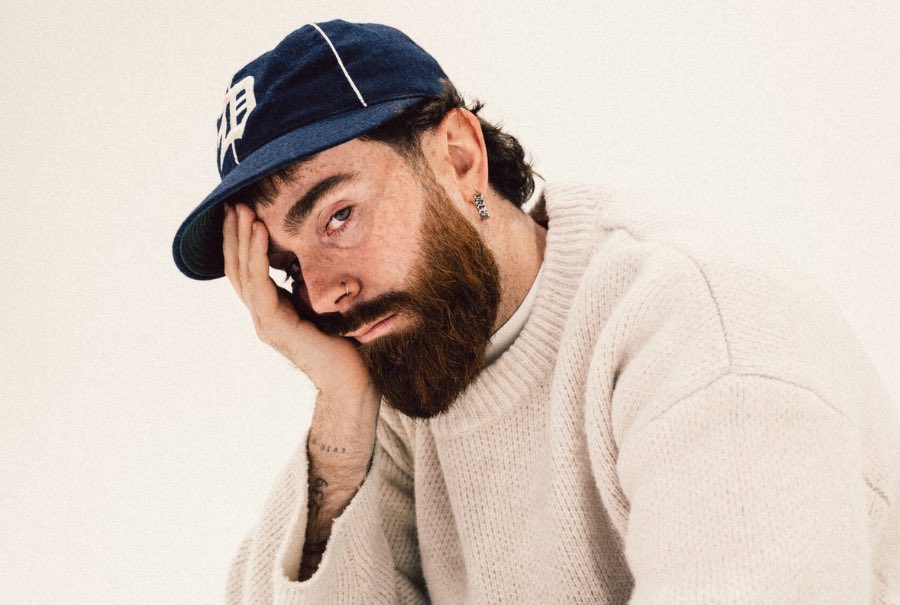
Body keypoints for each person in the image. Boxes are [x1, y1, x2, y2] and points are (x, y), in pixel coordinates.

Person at [173, 20, 900, 604]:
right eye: (286, 263)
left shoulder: (699, 332)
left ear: (460, 157)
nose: (319, 293)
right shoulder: (401, 382)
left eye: (338, 216)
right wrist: (340, 412)